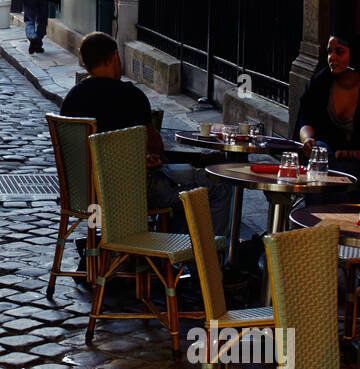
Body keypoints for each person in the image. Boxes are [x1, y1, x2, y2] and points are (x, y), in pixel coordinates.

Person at [61, 31, 233, 236]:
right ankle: (199, 261)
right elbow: (156, 146)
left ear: (85, 65)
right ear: (116, 57)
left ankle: (172, 253)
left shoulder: (71, 100)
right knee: (219, 186)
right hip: (134, 193)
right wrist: (142, 158)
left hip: (84, 194)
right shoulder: (130, 96)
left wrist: (136, 159)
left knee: (178, 185)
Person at [296, 34, 360, 195]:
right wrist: (307, 139)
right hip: (327, 162)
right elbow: (306, 118)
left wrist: (358, 153)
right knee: (321, 154)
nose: (332, 57)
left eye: (339, 52)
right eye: (329, 52)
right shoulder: (320, 83)